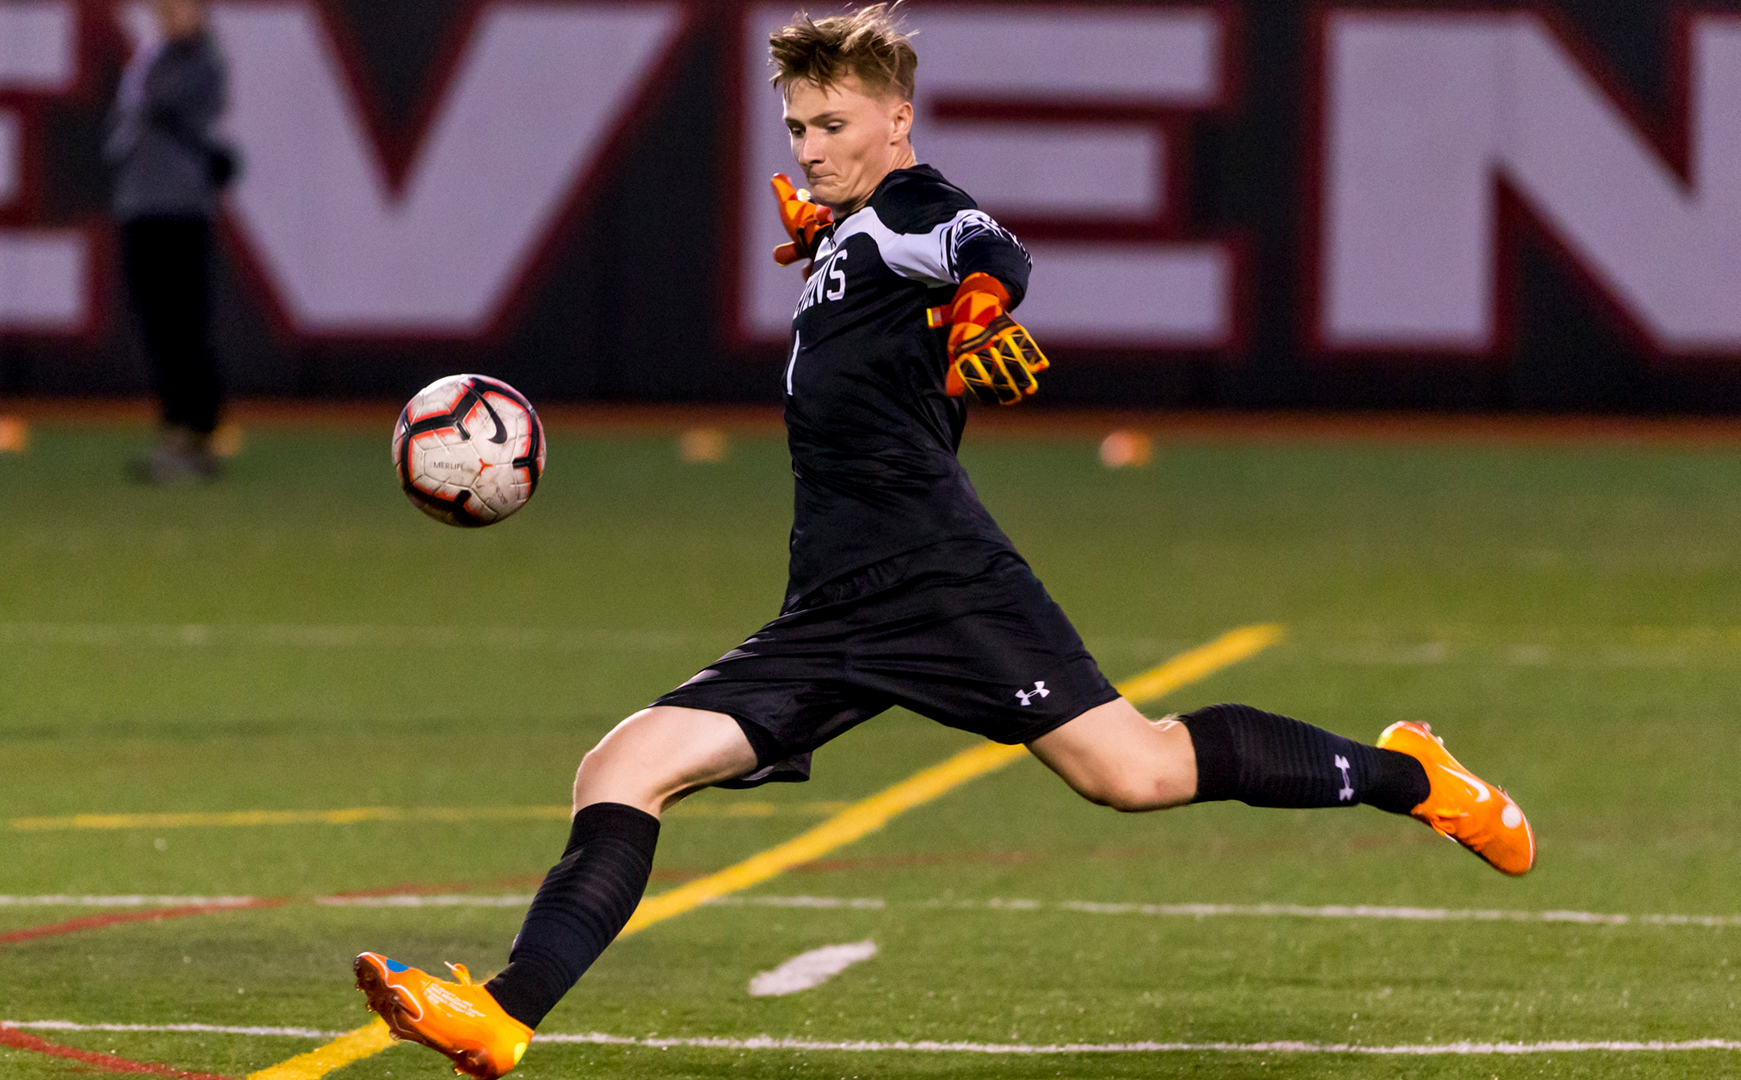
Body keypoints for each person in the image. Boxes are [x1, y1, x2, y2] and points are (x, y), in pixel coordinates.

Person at [351, 7, 1535, 1076]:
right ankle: (501, 1015)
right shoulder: (852, 227)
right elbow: (882, 261)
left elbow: (988, 246)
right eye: (798, 125)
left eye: (834, 123)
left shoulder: (912, 210)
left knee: (1136, 771)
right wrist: (834, 233)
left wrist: (972, 308)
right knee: (621, 769)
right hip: (833, 605)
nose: (809, 146)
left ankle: (1412, 776)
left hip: (937, 576)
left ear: (896, 118)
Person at [106, 0, 233, 483]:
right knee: (157, 323)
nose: (170, 13)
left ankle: (195, 432)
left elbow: (163, 101)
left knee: (183, 323)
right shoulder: (154, 56)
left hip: (178, 208)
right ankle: (176, 429)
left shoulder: (197, 60)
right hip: (140, 205)